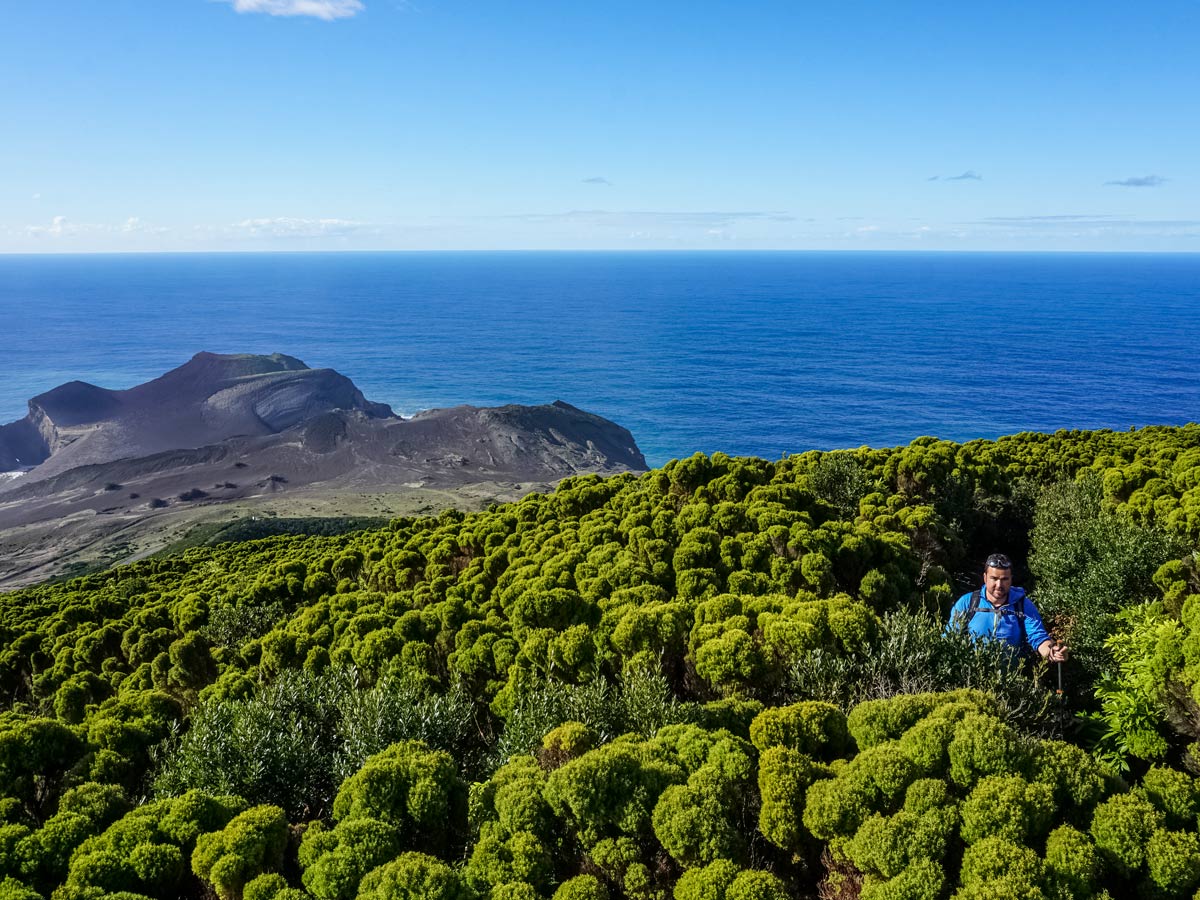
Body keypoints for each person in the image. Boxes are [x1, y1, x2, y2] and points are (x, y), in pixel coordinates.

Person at [948, 553, 1068, 662]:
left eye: (1004, 579)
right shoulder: (968, 602)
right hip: (971, 679)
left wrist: (1052, 652)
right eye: (994, 578)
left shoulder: (1023, 605)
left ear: (1011, 579)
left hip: (1012, 681)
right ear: (985, 578)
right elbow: (950, 637)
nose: (999, 585)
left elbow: (1038, 637)